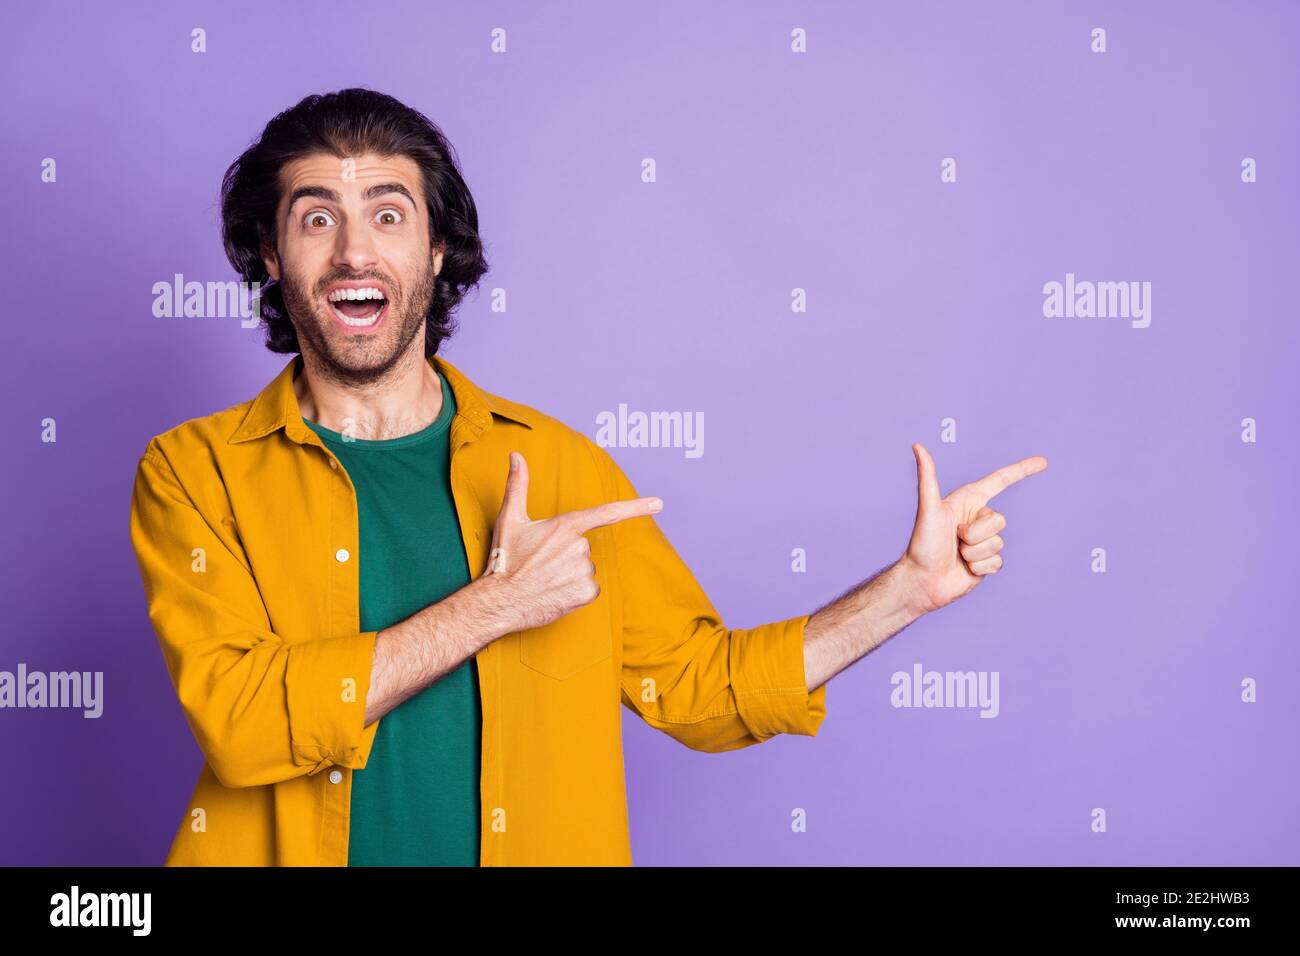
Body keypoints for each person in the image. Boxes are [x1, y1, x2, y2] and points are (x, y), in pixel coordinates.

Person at [128, 88, 1047, 867]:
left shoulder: (561, 467)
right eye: (316, 216)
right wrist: (492, 605)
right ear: (270, 255)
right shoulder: (194, 472)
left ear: (437, 253)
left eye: (390, 215)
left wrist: (908, 591)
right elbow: (242, 725)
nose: (354, 252)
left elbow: (701, 688)